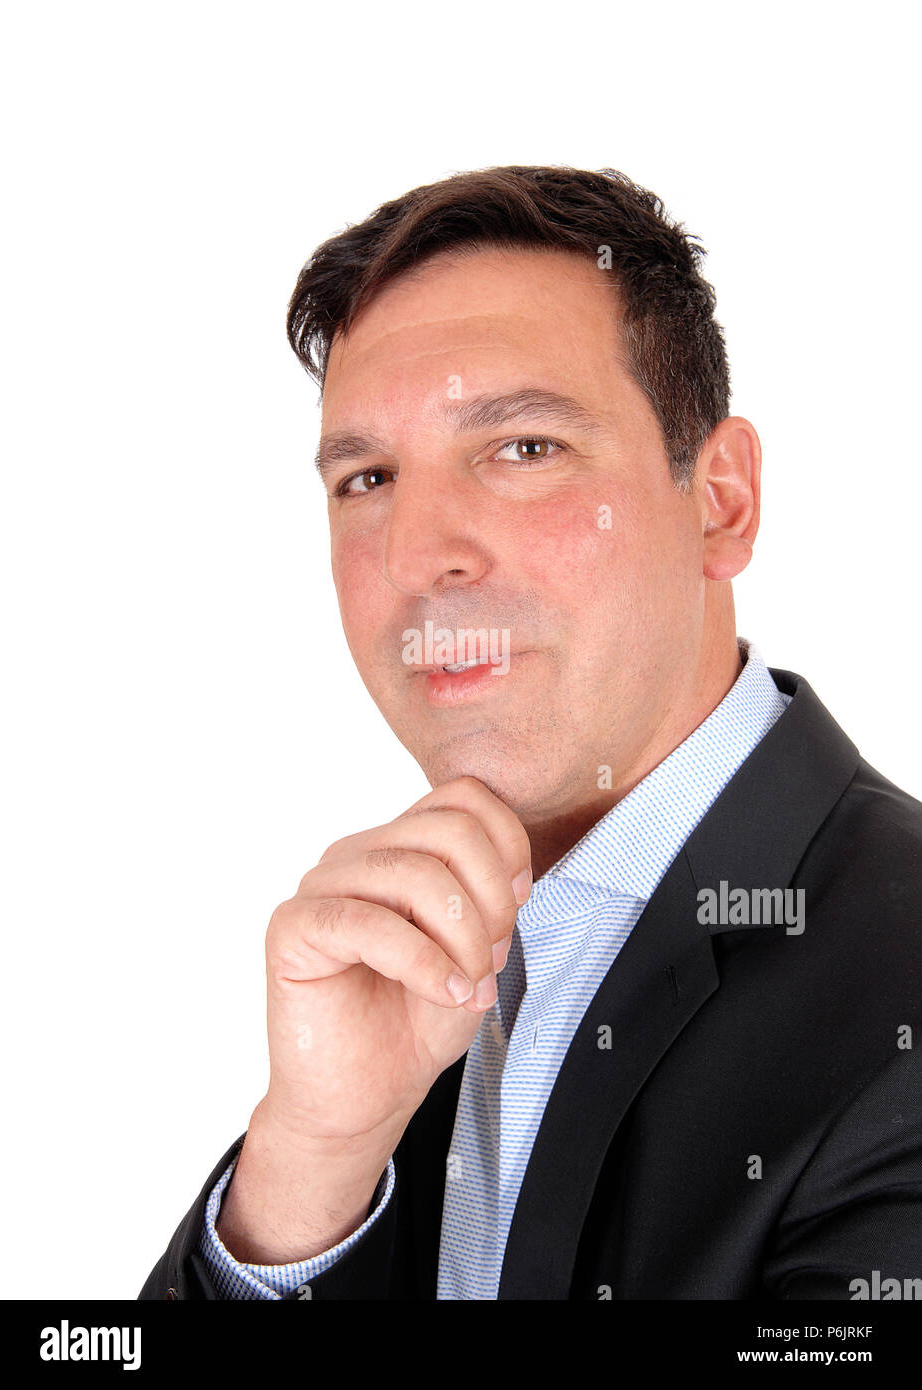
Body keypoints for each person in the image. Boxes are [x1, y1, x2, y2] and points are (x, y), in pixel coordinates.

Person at [139, 165, 922, 1301]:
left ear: (719, 500)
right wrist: (307, 1178)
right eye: (366, 477)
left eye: (520, 449)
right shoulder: (406, 988)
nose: (418, 554)